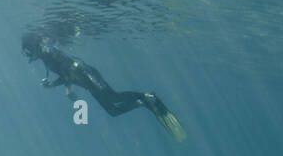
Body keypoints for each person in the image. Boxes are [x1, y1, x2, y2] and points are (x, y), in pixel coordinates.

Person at [21, 33, 187, 141]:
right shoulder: (46, 57)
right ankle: (143, 103)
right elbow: (64, 73)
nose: (29, 55)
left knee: (113, 96)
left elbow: (67, 70)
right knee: (112, 111)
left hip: (87, 74)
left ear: (33, 47)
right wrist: (60, 87)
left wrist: (64, 88)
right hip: (85, 81)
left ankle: (147, 96)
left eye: (28, 51)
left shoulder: (49, 53)